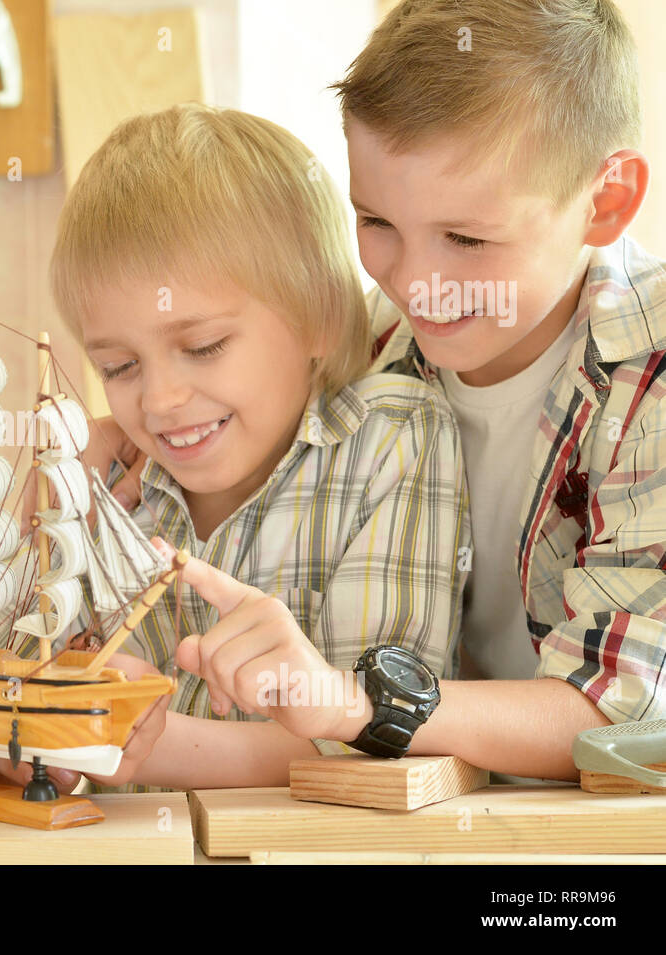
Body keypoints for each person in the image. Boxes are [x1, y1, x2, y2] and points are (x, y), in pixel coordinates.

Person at [105, 0, 659, 781]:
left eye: (466, 238)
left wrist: (360, 703)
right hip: (431, 810)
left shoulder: (652, 373)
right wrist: (118, 431)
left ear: (605, 201)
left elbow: (621, 709)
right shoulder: (368, 344)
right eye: (377, 222)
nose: (414, 282)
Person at [0, 103, 470, 790]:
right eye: (118, 367)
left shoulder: (391, 441)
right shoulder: (106, 489)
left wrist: (125, 739)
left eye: (203, 347)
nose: (161, 400)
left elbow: (375, 746)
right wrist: (20, 748)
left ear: (317, 315)